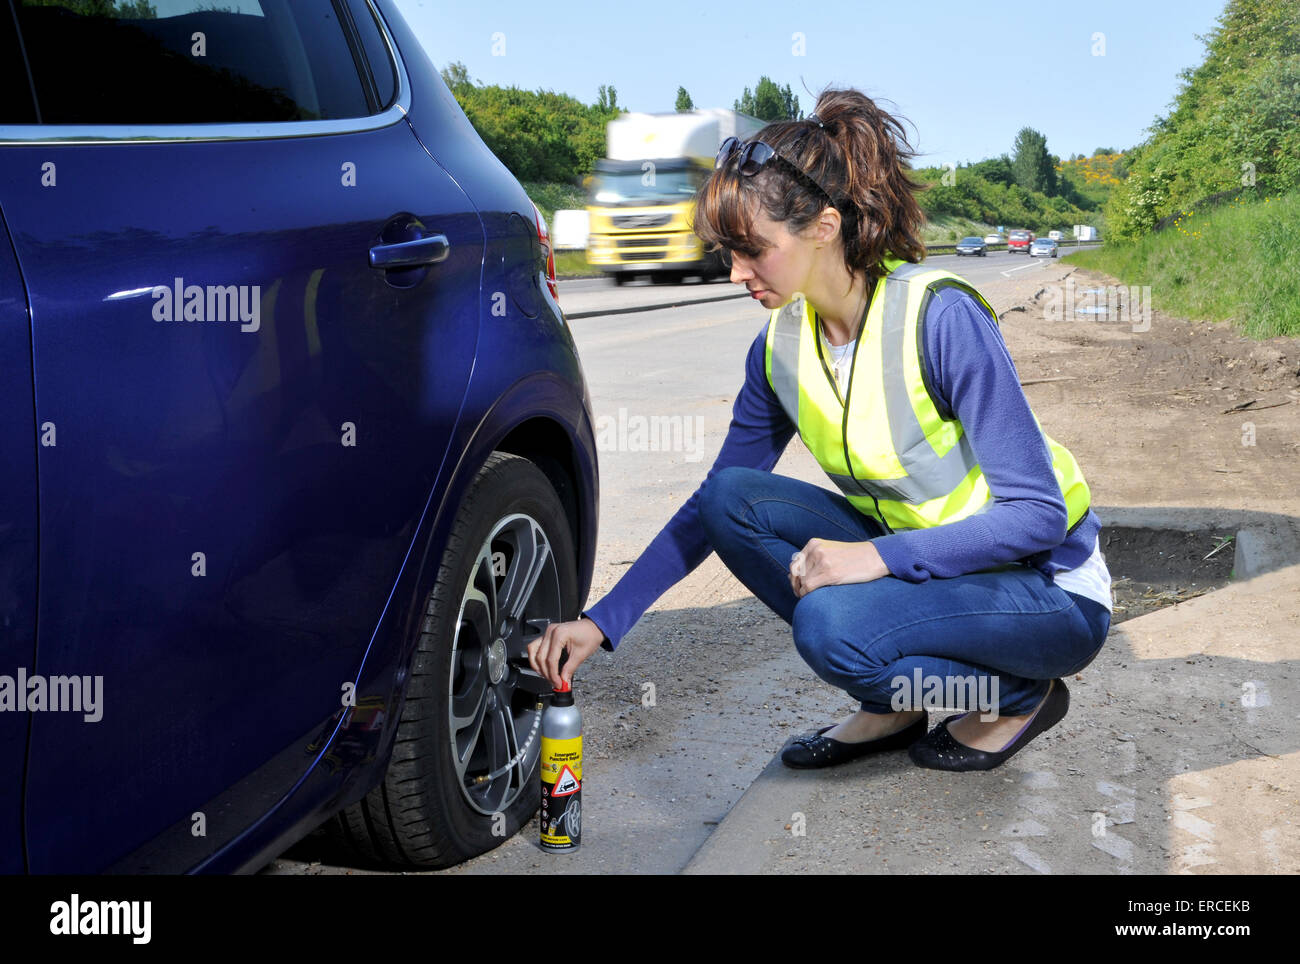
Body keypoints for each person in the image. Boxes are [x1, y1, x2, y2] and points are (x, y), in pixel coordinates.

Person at [527, 87, 1112, 772]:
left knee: (831, 628)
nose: (737, 273)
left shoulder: (940, 319)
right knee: (732, 501)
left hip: (1043, 591)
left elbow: (1038, 515)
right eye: (727, 253)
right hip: (940, 573)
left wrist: (877, 559)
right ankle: (895, 702)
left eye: (753, 250)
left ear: (824, 227)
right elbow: (711, 508)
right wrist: (605, 619)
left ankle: (1013, 693)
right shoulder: (779, 349)